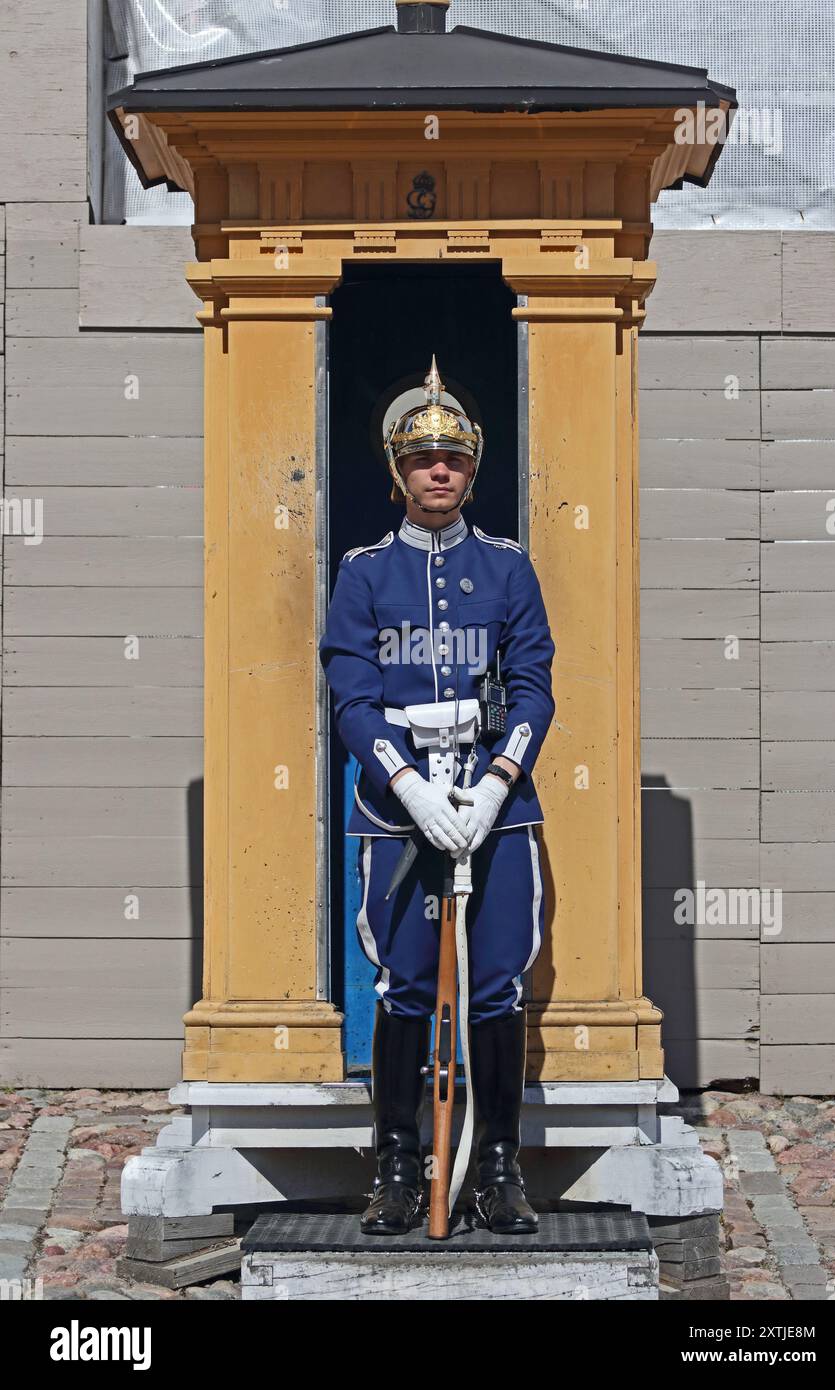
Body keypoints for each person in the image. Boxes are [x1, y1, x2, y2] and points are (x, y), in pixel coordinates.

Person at [318, 356, 555, 1235]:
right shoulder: (365, 573)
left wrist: (496, 783)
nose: (439, 472)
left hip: (496, 808)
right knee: (406, 986)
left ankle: (496, 1167)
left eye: (453, 458)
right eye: (423, 460)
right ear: (396, 472)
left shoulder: (506, 568)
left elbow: (533, 685)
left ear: (472, 468)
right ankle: (396, 1163)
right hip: (398, 810)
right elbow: (350, 692)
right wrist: (408, 786)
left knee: (495, 987)